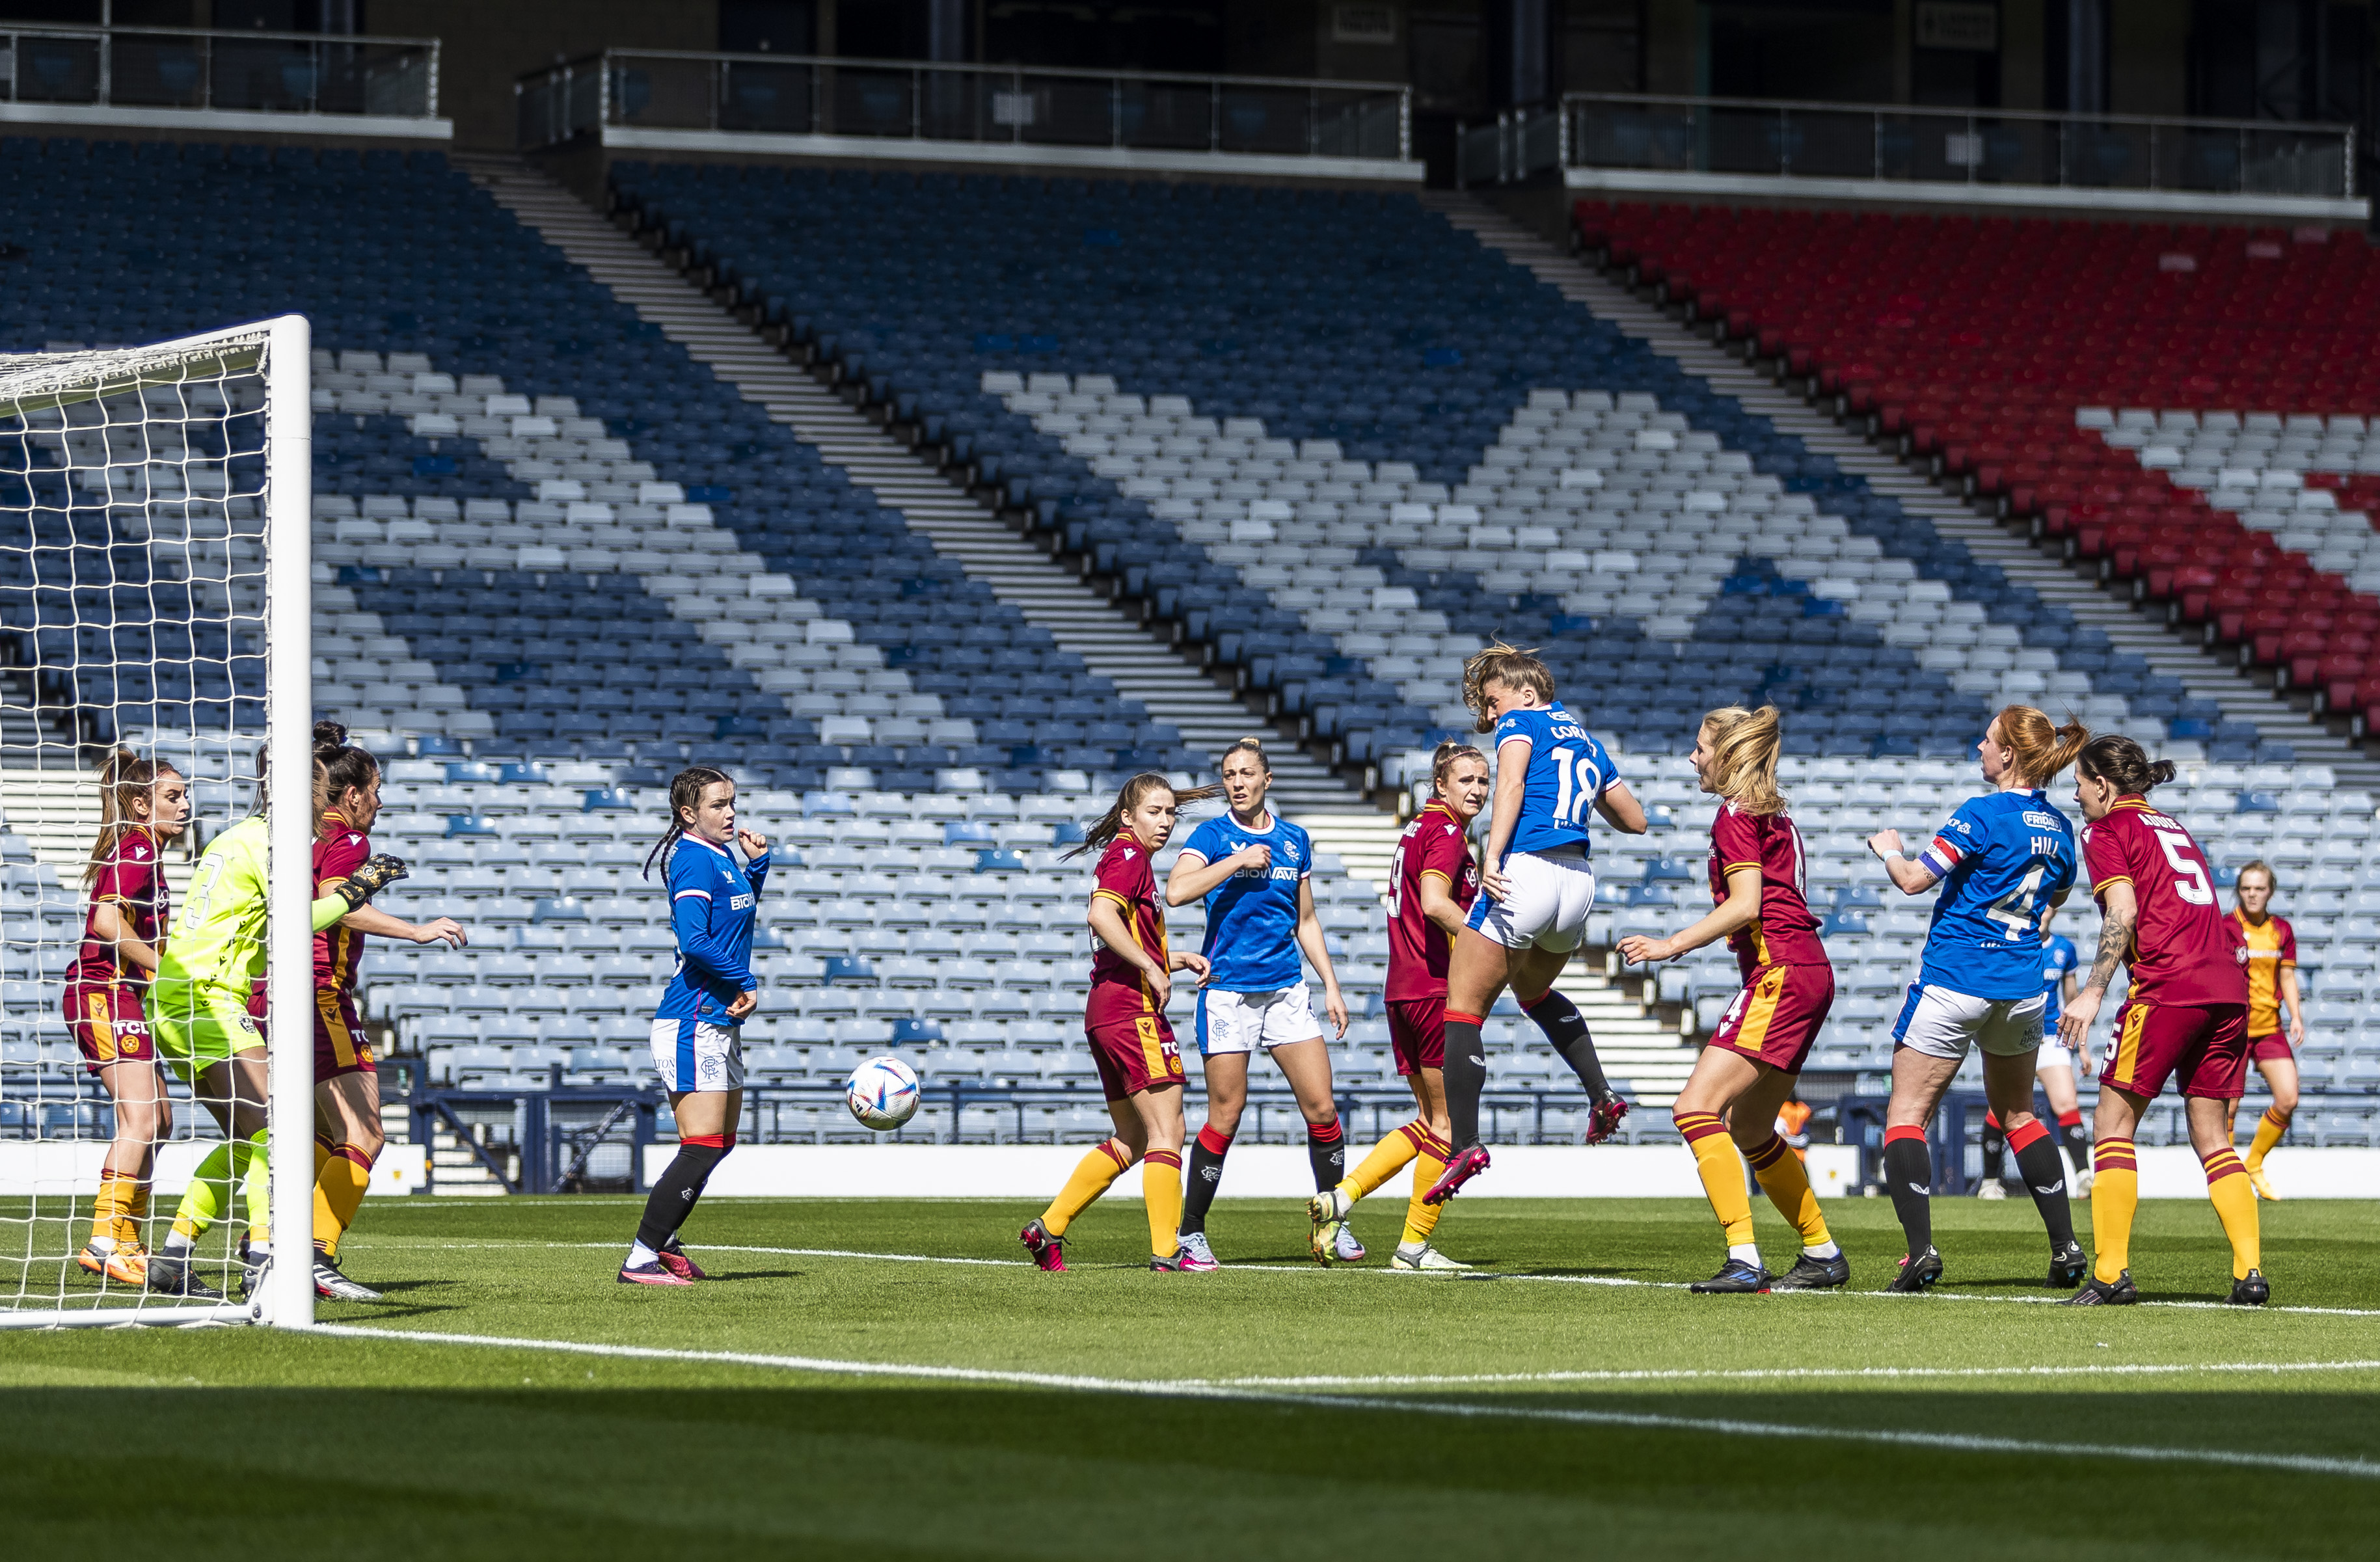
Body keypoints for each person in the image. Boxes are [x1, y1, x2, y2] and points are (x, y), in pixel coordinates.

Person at [146, 725, 410, 1299]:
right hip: (208, 998)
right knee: (276, 1133)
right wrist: (359, 889)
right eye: (322, 790)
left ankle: (174, 1253)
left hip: (176, 998)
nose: (331, 801)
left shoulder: (234, 835)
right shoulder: (274, 845)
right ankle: (269, 1257)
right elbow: (302, 918)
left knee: (253, 1138)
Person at [1617, 707, 1846, 1293]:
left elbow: (1746, 905)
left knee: (1694, 1109)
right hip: (1808, 970)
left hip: (1782, 971)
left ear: (1728, 753)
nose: (1693, 758)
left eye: (1700, 749)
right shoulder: (1776, 814)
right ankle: (1822, 1252)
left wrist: (1672, 944)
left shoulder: (1734, 815)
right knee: (1748, 1122)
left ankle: (1744, 1258)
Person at [1867, 707, 2091, 1293]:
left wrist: (1889, 849)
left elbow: (1915, 879)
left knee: (1907, 1114)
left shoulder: (1981, 813)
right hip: (2021, 986)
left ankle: (1920, 1254)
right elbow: (2056, 898)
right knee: (2020, 1114)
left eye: (1988, 740)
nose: (1980, 747)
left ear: (2009, 755)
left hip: (1956, 977)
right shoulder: (2062, 828)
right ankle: (2067, 1247)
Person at [1426, 643, 1647, 1204]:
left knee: (1462, 1008)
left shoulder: (1522, 721)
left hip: (1528, 870)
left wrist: (1493, 854)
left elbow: (1511, 785)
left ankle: (1466, 1145)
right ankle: (1600, 1093)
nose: (1494, 715)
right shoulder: (1589, 740)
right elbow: (1635, 820)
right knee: (1533, 990)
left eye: (1496, 702)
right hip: (1578, 882)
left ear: (1526, 693)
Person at [256, 730, 467, 1302]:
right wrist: (417, 929)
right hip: (321, 994)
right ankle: (312, 1254)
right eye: (376, 789)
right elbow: (337, 905)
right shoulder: (346, 839)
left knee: (321, 1137)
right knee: (366, 1132)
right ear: (349, 795)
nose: (381, 801)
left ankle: (265, 1243)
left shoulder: (303, 836)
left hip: (284, 992)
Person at [2059, 736, 2264, 1306]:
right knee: (2213, 1135)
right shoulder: (2172, 825)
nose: (2075, 795)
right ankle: (2250, 1273)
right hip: (2227, 989)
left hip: (2169, 987)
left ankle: (2110, 1273)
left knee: (2112, 1123)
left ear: (2103, 784)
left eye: (2079, 783)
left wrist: (2093, 991)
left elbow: (2122, 909)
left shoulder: (2105, 831)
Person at [1162, 738, 1354, 1267]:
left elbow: (1306, 919)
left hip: (1286, 989)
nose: (1238, 781)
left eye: (1247, 773)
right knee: (1226, 1114)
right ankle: (1192, 1231)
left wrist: (1331, 985)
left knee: (1322, 1109)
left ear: (1267, 779)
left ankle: (1331, 1223)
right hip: (1227, 993)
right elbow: (1176, 892)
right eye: (1229, 774)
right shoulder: (1213, 834)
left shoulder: (1295, 839)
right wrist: (1238, 861)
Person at [1021, 772, 1216, 1273]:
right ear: (1128, 816)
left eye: (1171, 812)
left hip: (1106, 1008)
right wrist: (1152, 966)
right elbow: (1102, 917)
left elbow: (1119, 938)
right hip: (1132, 1010)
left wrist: (1172, 958)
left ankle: (1048, 1229)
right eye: (1155, 811)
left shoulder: (1128, 859)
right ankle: (1167, 1251)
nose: (1166, 821)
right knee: (1168, 1128)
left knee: (1131, 1137)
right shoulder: (1129, 856)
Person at [1307, 740, 1489, 1272]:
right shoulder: (1447, 833)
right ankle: (1412, 1245)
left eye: (1483, 780)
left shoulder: (1416, 830)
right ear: (1440, 786)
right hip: (1435, 989)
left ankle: (1340, 1199)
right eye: (1466, 781)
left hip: (1402, 989)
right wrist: (1483, 943)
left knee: (1432, 1120)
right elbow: (1435, 902)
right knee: (1450, 1125)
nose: (1477, 789)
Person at [619, 766, 769, 1286]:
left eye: (732, 802)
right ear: (688, 814)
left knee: (720, 1140)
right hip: (693, 1019)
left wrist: (759, 866)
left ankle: (664, 1243)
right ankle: (640, 1255)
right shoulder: (691, 859)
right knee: (702, 1143)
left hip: (715, 1019)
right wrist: (744, 979)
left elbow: (734, 916)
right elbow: (696, 940)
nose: (730, 813)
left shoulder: (722, 855)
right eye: (717, 805)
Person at [65, 750, 190, 1287]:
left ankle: (128, 1239)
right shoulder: (139, 846)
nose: (185, 805)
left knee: (160, 1120)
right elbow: (105, 917)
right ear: (140, 804)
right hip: (103, 991)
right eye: (172, 796)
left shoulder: (150, 851)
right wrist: (166, 968)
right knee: (140, 1120)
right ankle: (103, 1238)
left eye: (184, 795)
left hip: (122, 995)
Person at [1977, 906, 2092, 1200]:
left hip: (2051, 1039)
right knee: (1999, 1111)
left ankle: (2083, 1176)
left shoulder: (2064, 949)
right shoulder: (2009, 943)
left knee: (2067, 1103)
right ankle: (1990, 1181)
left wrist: (2082, 1046)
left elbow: (2072, 1001)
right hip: (2016, 1038)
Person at [2226, 861, 2302, 1202]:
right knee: (2227, 1109)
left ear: (2270, 891)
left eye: (2259, 888)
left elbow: (2286, 976)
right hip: (2235, 1028)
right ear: (2239, 891)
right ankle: (2229, 1180)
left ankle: (2254, 1162)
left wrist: (2296, 1016)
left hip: (2270, 1027)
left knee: (2288, 1098)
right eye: (2246, 888)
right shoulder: (2226, 927)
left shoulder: (2281, 930)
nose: (2253, 894)